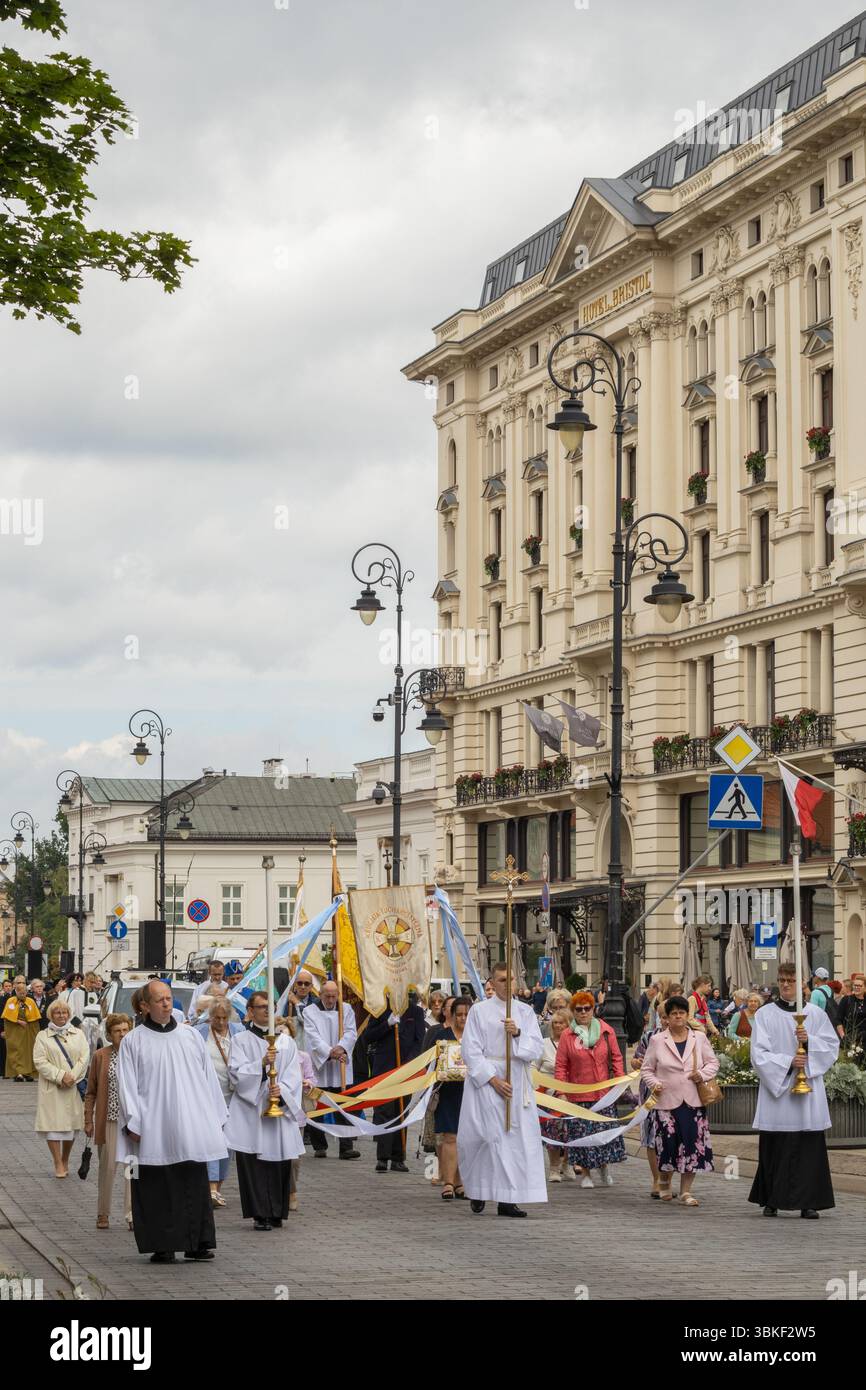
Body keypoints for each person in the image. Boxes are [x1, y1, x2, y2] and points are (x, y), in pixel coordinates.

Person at [116, 979, 229, 1264]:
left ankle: (197, 1242)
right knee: (156, 1186)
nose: (167, 1004)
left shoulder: (190, 1036)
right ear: (145, 1006)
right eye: (160, 1000)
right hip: (153, 1124)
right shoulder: (134, 1041)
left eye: (168, 999)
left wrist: (214, 1118)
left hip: (190, 1122)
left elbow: (207, 1079)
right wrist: (134, 1122)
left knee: (192, 1182)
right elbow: (126, 1084)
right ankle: (162, 1244)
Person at [748, 963, 840, 1219]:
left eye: (791, 980)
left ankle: (808, 1201)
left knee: (808, 1146)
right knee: (776, 1145)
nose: (786, 985)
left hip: (807, 1091)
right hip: (778, 1091)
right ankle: (771, 1199)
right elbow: (758, 1054)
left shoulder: (816, 1014)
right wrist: (788, 1062)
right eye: (782, 980)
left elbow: (832, 1047)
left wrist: (809, 1042)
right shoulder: (766, 1015)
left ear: (802, 984)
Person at [457, 961, 546, 1217]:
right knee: (486, 1138)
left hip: (516, 1078)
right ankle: (480, 1190)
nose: (507, 984)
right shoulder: (479, 1011)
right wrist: (492, 1079)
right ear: (492, 983)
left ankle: (508, 1198)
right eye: (502, 980)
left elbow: (536, 1048)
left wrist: (517, 1034)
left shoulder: (526, 1012)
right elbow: (470, 1050)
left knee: (512, 1140)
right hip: (487, 1082)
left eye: (511, 979)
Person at [224, 992, 305, 1232]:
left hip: (277, 1108)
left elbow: (294, 1075)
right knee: (254, 1163)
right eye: (260, 1007)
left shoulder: (285, 1042)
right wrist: (260, 1065)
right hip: (252, 1111)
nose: (266, 1011)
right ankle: (260, 1213)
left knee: (279, 1161)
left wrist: (281, 1093)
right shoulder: (241, 1041)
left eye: (269, 1007)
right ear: (250, 1011)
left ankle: (277, 1211)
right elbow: (236, 1075)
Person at [640, 996, 719, 1207]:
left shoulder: (699, 1038)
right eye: (673, 1013)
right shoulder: (658, 1040)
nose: (677, 1017)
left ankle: (686, 1191)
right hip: (666, 1100)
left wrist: (701, 1074)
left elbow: (713, 1062)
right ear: (667, 1017)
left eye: (681, 1013)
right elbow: (646, 1069)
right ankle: (664, 1181)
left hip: (693, 1101)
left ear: (687, 1015)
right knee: (667, 1144)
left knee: (692, 1145)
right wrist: (654, 1083)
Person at [554, 990, 626, 1188]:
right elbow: (561, 1065)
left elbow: (617, 1057)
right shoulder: (568, 1036)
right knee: (583, 1136)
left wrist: (619, 1082)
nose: (583, 1012)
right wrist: (561, 1091)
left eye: (587, 1008)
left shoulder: (606, 1031)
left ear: (593, 1009)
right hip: (579, 1094)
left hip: (603, 1093)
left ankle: (604, 1168)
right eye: (579, 1009)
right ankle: (585, 1173)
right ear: (573, 1012)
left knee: (603, 1134)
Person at [366, 993, 426, 1172]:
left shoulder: (415, 1012)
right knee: (384, 1111)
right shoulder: (380, 1010)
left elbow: (419, 1040)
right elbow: (368, 1037)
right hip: (384, 1069)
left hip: (405, 1070)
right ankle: (383, 1157)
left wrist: (409, 1063)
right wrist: (387, 1024)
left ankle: (398, 1157)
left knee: (401, 1111)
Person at [85, 1012, 134, 1228]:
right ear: (109, 1034)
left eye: (125, 1030)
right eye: (117, 1031)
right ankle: (102, 1213)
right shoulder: (101, 1056)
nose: (122, 1035)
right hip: (110, 1120)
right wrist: (89, 1119)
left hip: (133, 1122)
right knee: (107, 1168)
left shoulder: (137, 1054)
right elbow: (91, 1091)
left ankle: (133, 1213)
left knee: (133, 1169)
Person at [33, 998, 89, 1178]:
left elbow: (84, 1057)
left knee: (70, 1126)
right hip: (52, 1087)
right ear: (51, 1015)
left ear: (69, 1014)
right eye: (57, 1012)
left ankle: (65, 1158)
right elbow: (40, 1062)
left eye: (64, 1012)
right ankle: (57, 1161)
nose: (61, 1015)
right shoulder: (42, 1036)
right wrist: (60, 1076)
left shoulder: (78, 1034)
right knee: (53, 1126)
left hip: (72, 1087)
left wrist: (72, 1076)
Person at [303, 979, 360, 1159]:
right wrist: (329, 1052)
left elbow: (351, 1032)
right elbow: (312, 1037)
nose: (330, 1000)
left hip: (340, 1066)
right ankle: (320, 1146)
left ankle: (346, 1146)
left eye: (333, 996)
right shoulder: (309, 1011)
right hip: (319, 1065)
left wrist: (342, 1048)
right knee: (317, 1106)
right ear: (319, 994)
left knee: (343, 1106)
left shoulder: (346, 1009)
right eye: (327, 996)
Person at [195, 999, 244, 1207]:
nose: (221, 1022)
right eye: (217, 1018)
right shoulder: (199, 1033)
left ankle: (217, 1188)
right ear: (210, 1016)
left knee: (227, 1144)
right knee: (211, 1141)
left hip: (233, 1096)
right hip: (208, 1097)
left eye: (225, 1018)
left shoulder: (238, 1031)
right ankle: (211, 1188)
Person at [429, 995, 471, 1201]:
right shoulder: (442, 1035)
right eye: (459, 1014)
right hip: (448, 1091)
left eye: (466, 1014)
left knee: (465, 1138)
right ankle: (448, 1182)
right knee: (449, 1137)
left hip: (470, 1092)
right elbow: (428, 1062)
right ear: (451, 1015)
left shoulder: (475, 1036)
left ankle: (461, 1181)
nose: (463, 1018)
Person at [538, 1009, 573, 1183]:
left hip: (570, 1093)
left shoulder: (575, 1043)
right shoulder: (544, 1044)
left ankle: (566, 1163)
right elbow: (533, 1067)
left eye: (562, 1022)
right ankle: (553, 1167)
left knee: (570, 1131)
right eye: (555, 1023)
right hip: (548, 1094)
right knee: (552, 1132)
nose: (558, 1026)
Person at [1, 975, 40, 1080]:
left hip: (28, 1031)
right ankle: (18, 1073)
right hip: (15, 1031)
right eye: (19, 984)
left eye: (23, 984)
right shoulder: (10, 1000)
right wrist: (18, 1021)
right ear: (15, 988)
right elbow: (6, 1015)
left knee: (28, 1051)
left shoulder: (30, 1001)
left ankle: (27, 1073)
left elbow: (35, 1016)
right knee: (16, 1051)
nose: (22, 994)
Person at [835, 972, 866, 1049]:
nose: (856, 987)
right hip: (849, 1041)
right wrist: (843, 1036)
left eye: (859, 986)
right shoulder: (846, 1000)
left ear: (865, 988)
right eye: (855, 985)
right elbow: (838, 1020)